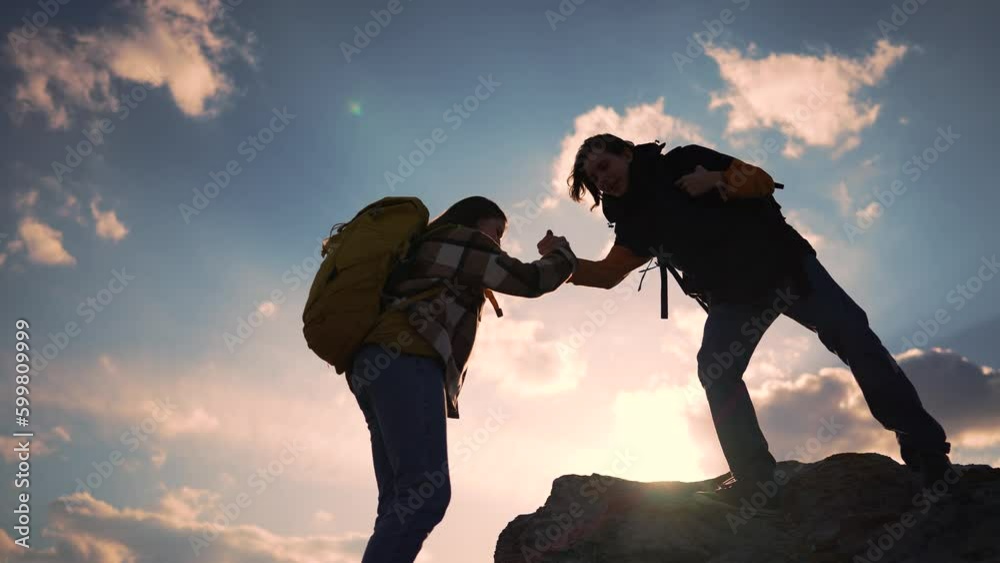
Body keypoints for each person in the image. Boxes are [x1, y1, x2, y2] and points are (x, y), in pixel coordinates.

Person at [545, 133, 951, 511]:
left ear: (627, 154)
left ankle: (925, 451)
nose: (603, 179)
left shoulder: (685, 161)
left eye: (604, 165)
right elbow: (607, 274)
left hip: (787, 270)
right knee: (716, 371)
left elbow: (760, 179)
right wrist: (563, 262)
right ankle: (755, 481)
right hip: (733, 299)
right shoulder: (634, 221)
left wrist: (717, 180)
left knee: (855, 337)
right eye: (593, 177)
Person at [350, 196, 577, 562]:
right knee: (425, 494)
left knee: (398, 501)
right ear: (474, 222)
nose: (497, 242)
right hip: (407, 358)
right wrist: (561, 253)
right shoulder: (459, 240)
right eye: (497, 231)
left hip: (374, 365)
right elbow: (530, 279)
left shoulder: (423, 249)